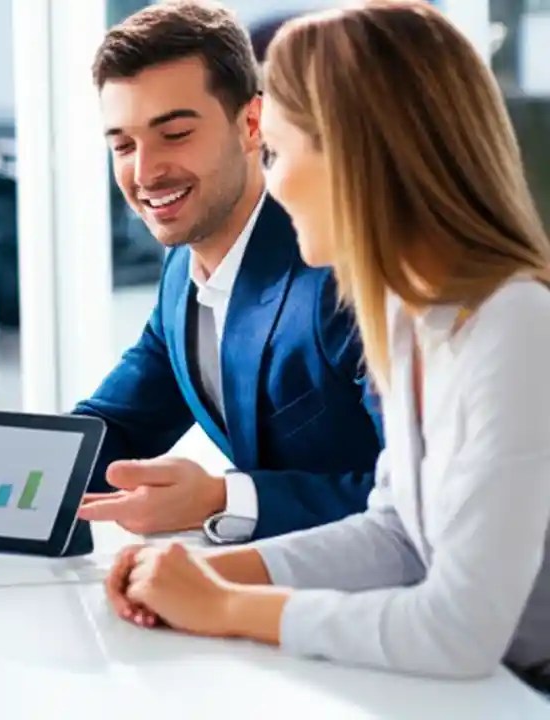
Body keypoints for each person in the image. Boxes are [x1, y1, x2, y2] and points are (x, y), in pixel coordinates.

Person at [104, 0, 550, 690]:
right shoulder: (409, 319)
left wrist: (227, 606)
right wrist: (205, 574)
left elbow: (459, 631)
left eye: (278, 152)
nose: (271, 185)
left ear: (358, 157)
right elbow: (398, 534)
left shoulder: (517, 324)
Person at [71, 0, 383, 544]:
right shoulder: (182, 275)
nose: (144, 172)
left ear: (252, 124)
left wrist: (223, 498)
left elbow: (416, 500)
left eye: (175, 135)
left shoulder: (337, 271)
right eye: (123, 145)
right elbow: (119, 424)